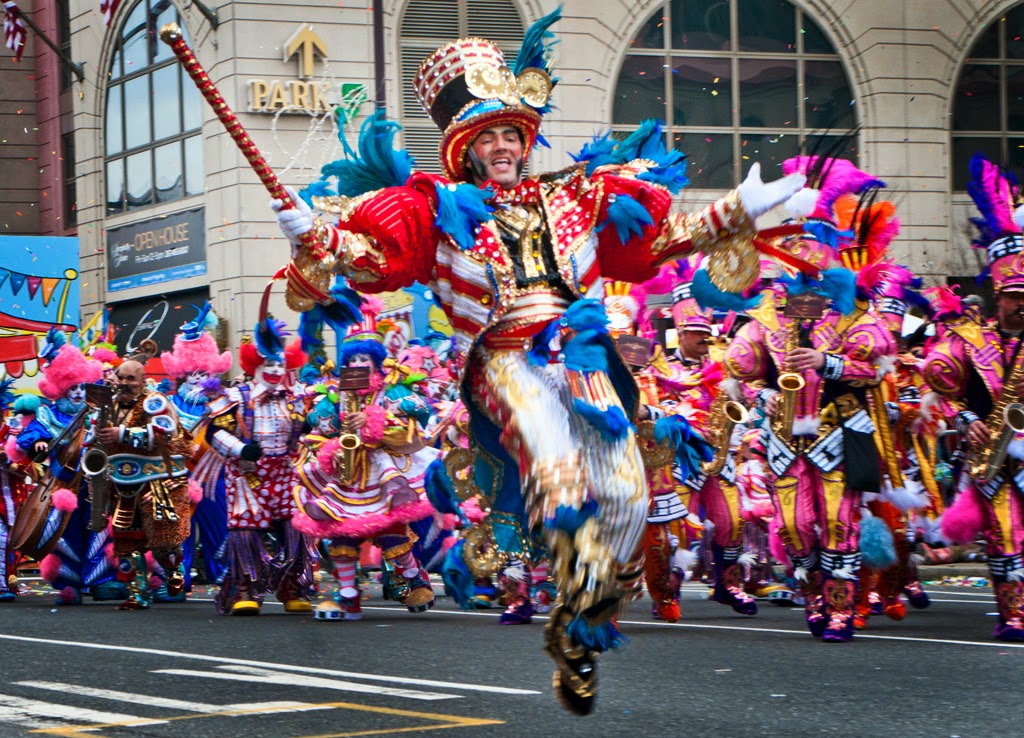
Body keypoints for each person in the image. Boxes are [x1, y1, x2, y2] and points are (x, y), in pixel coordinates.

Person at [272, 10, 804, 712]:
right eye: (485, 135)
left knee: (626, 494)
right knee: (552, 458)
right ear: (465, 147)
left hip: (580, 351)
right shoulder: (435, 212)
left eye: (510, 133)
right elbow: (375, 261)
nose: (500, 146)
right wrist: (318, 238)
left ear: (526, 139)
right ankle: (568, 576)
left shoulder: (575, 196)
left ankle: (583, 626)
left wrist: (735, 207)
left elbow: (653, 242)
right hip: (503, 357)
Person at [725, 156, 895, 643]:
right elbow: (743, 365)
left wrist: (829, 363)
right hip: (783, 437)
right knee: (796, 529)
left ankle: (841, 608)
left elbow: (877, 361)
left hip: (837, 434)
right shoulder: (769, 314)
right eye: (794, 248)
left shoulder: (853, 313)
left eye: (810, 248)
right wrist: (745, 353)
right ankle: (815, 593)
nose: (802, 258)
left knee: (839, 524)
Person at [925, 154, 1024, 641]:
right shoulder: (968, 340)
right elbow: (940, 391)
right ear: (997, 294)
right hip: (993, 456)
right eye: (1013, 294)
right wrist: (965, 418)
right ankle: (1014, 615)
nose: (1020, 302)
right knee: (1005, 536)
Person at [198, 321, 314, 615]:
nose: (275, 370)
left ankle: (292, 586)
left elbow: (309, 430)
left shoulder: (295, 398)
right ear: (255, 366)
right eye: (269, 364)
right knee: (246, 532)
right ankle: (245, 588)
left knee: (295, 529)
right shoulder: (237, 397)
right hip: (248, 475)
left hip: (285, 472)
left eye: (280, 364)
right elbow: (214, 432)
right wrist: (240, 449)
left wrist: (313, 425)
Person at [92, 359, 192, 610]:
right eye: (121, 378)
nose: (125, 384)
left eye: (131, 379)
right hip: (121, 482)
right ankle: (138, 592)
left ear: (142, 379)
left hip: (156, 480)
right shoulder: (109, 404)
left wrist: (122, 434)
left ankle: (175, 580)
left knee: (164, 540)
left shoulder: (155, 401)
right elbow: (95, 439)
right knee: (127, 539)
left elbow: (164, 433)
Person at [160, 302, 233, 592]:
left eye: (205, 374)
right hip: (180, 475)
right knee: (181, 532)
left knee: (219, 526)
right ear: (184, 376)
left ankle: (225, 574)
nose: (201, 381)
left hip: (215, 477)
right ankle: (178, 579)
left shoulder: (223, 403)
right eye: (195, 375)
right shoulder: (170, 404)